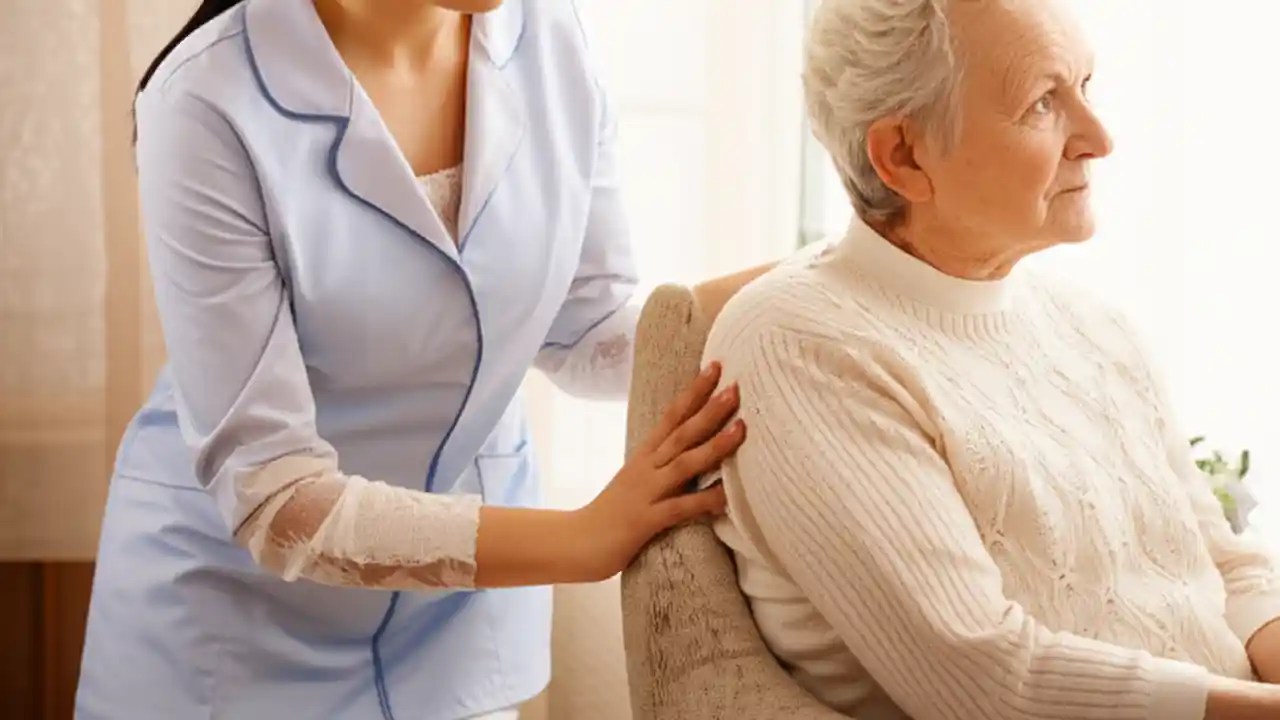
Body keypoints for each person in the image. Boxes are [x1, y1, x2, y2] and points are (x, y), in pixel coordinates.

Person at [76, 1, 770, 718]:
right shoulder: (204, 98)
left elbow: (585, 331)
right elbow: (278, 497)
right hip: (237, 635)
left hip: (451, 627)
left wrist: (806, 283)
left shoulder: (550, 35)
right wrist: (584, 538)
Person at [703, 0, 1280, 718]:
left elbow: (1228, 570)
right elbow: (986, 679)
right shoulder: (800, 345)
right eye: (1043, 103)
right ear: (903, 156)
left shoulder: (1095, 328)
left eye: (1086, 86)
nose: (1099, 139)